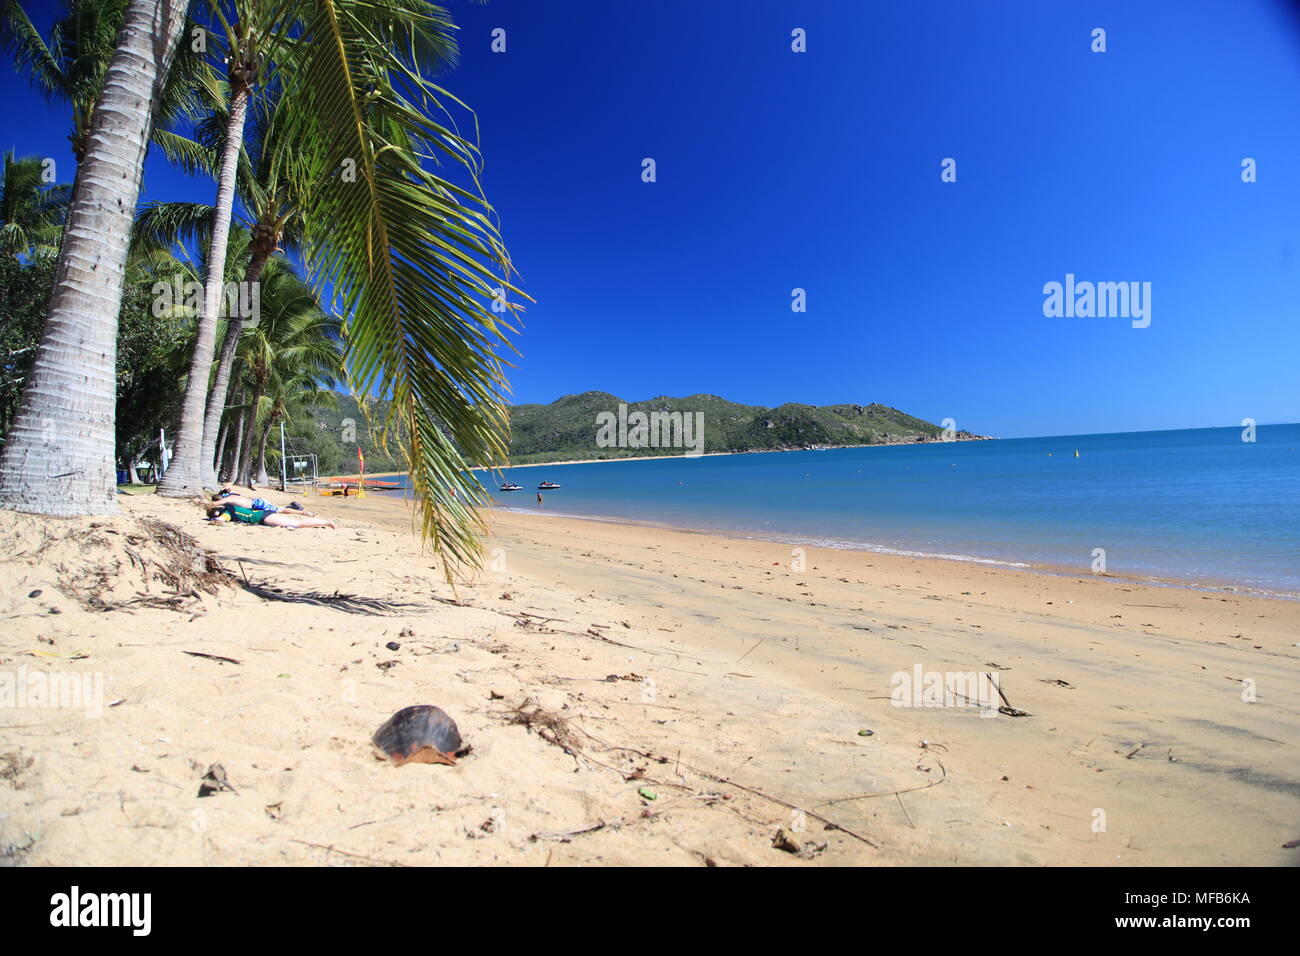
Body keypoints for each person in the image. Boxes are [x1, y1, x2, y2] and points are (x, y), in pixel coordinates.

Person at [205, 501, 335, 529]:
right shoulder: (230, 508)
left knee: (297, 524)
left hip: (264, 517)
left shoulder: (227, 513)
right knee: (294, 522)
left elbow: (221, 519)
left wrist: (213, 519)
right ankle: (325, 522)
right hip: (263, 515)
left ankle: (326, 522)